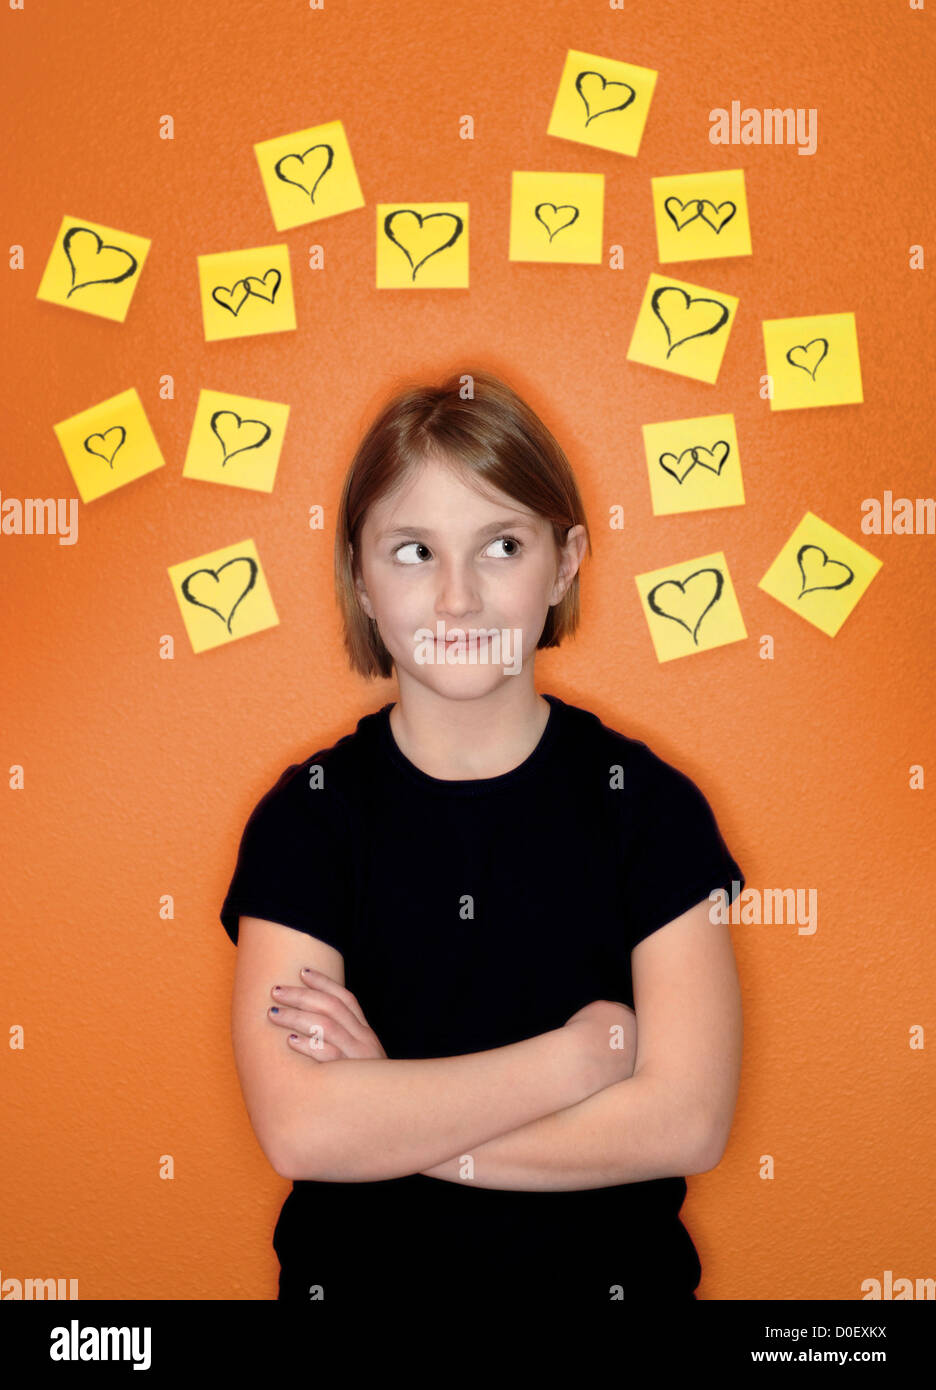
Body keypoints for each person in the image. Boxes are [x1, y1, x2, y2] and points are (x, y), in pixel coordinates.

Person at [219, 368, 745, 1308]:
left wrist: (391, 1109)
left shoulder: (651, 808)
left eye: (501, 544)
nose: (457, 600)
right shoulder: (309, 819)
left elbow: (687, 1122)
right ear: (360, 578)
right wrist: (577, 1063)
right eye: (414, 551)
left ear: (566, 559)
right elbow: (304, 1131)